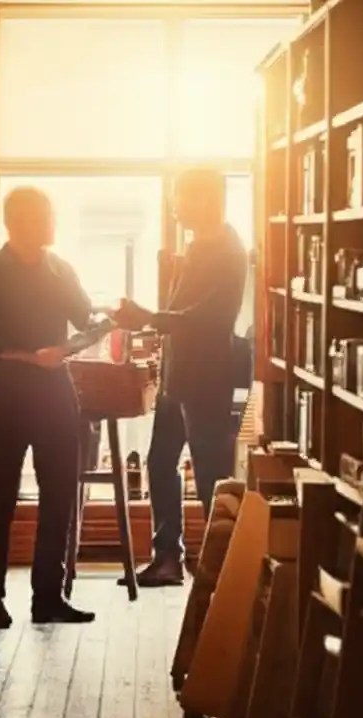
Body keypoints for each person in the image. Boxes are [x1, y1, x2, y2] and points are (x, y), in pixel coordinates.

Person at [0, 186, 97, 631]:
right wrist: (32, 357)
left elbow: (86, 323)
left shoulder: (61, 270)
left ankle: (49, 597)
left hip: (57, 393)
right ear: (20, 222)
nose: (55, 224)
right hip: (10, 394)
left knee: (59, 498)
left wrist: (71, 347)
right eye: (48, 216)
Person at [114, 168, 248, 587]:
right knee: (160, 462)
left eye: (181, 198)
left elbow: (209, 319)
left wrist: (149, 318)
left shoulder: (227, 250)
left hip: (205, 378)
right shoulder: (197, 248)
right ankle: (168, 558)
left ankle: (221, 570)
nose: (175, 207)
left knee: (210, 474)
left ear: (205, 200)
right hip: (179, 375)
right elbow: (184, 314)